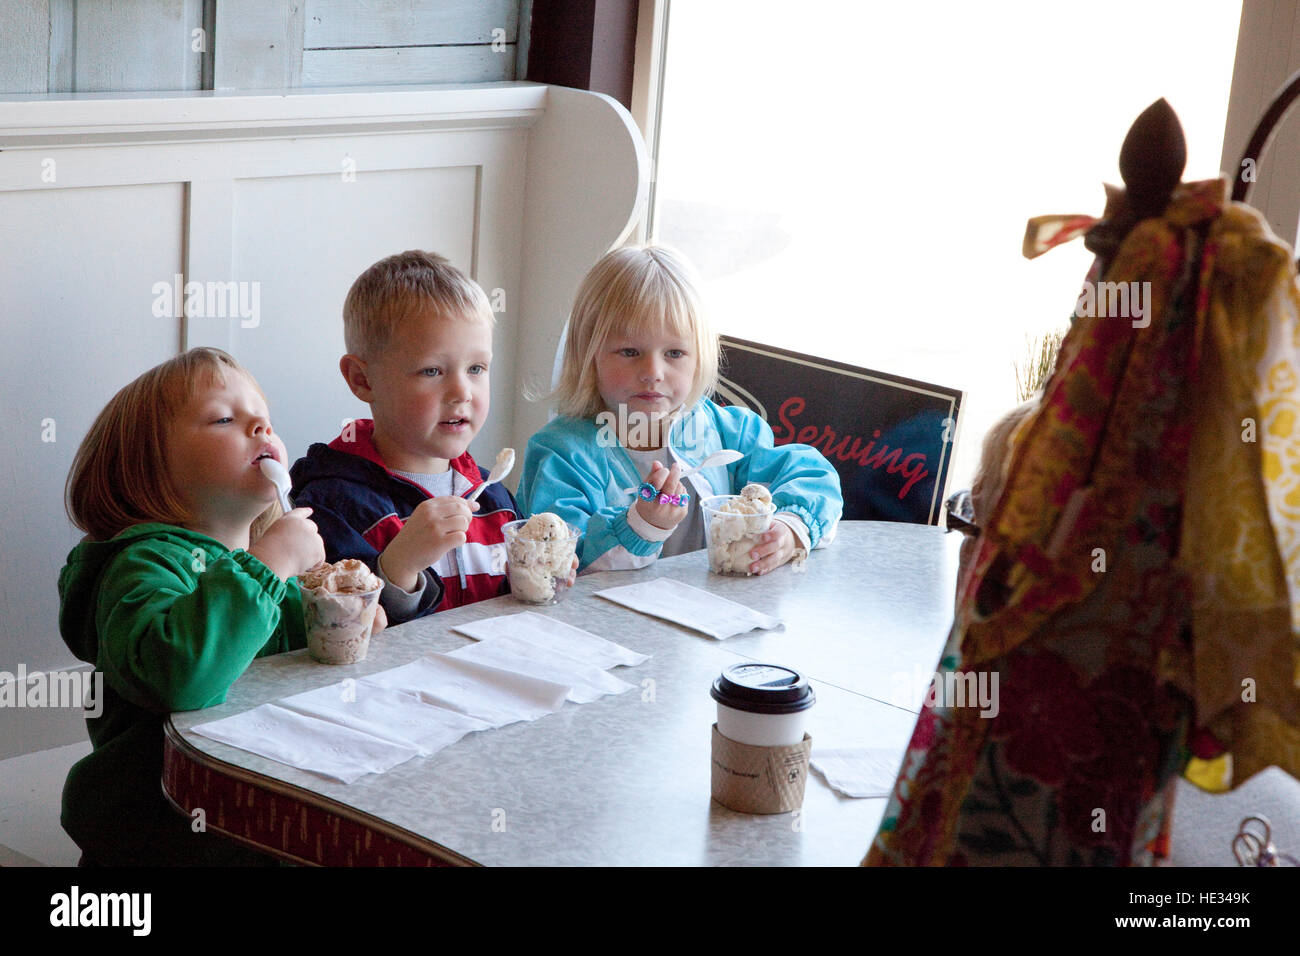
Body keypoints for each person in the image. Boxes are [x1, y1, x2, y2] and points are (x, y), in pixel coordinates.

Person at [58, 347, 372, 866]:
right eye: (225, 418)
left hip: (257, 813)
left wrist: (348, 616)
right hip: (162, 834)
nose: (260, 428)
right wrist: (269, 566)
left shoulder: (261, 569)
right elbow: (182, 677)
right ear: (149, 467)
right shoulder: (142, 564)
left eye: (265, 420)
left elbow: (302, 663)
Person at [518, 245, 842, 572]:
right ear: (589, 354)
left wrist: (789, 529)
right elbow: (558, 561)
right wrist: (642, 524)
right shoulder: (562, 454)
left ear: (698, 358)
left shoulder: (731, 433)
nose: (653, 372)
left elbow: (812, 476)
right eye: (630, 351)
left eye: (674, 353)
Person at [290, 250, 520, 620]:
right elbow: (336, 629)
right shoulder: (333, 504)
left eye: (476, 368)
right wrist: (400, 565)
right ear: (363, 380)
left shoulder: (495, 499)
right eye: (432, 371)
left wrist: (542, 577)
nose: (463, 392)